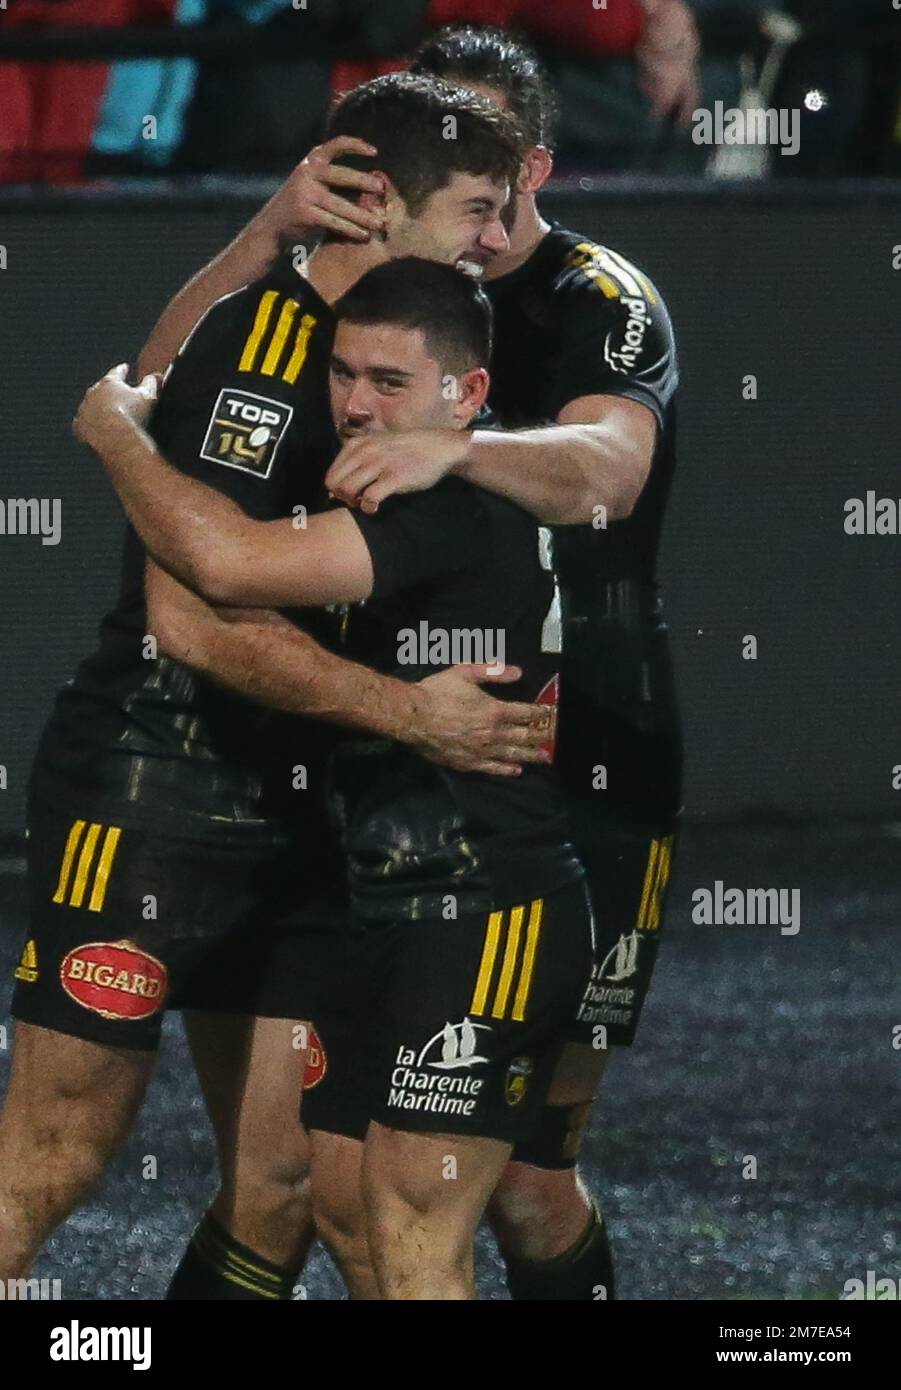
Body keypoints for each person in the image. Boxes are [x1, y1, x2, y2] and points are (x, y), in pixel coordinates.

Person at [0, 73, 542, 1297]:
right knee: (53, 1153)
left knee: (290, 1185)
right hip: (153, 791)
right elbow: (192, 618)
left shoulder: (422, 348)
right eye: (474, 205)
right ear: (373, 203)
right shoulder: (264, 341)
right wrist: (411, 711)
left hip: (308, 809)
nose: (498, 237)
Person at [76, 258, 596, 1300]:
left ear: (468, 395)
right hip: (374, 894)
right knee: (346, 1201)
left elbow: (216, 565)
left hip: (481, 904)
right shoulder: (403, 478)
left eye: (389, 382)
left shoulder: (436, 505)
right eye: (343, 373)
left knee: (415, 1223)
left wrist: (113, 433)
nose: (357, 403)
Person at [310, 26, 682, 1301]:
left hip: (586, 767)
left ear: (530, 167)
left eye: (476, 160)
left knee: (522, 1178)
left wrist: (453, 452)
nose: (445, 183)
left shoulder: (597, 300)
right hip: (402, 771)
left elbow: (609, 476)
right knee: (355, 1183)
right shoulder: (377, 293)